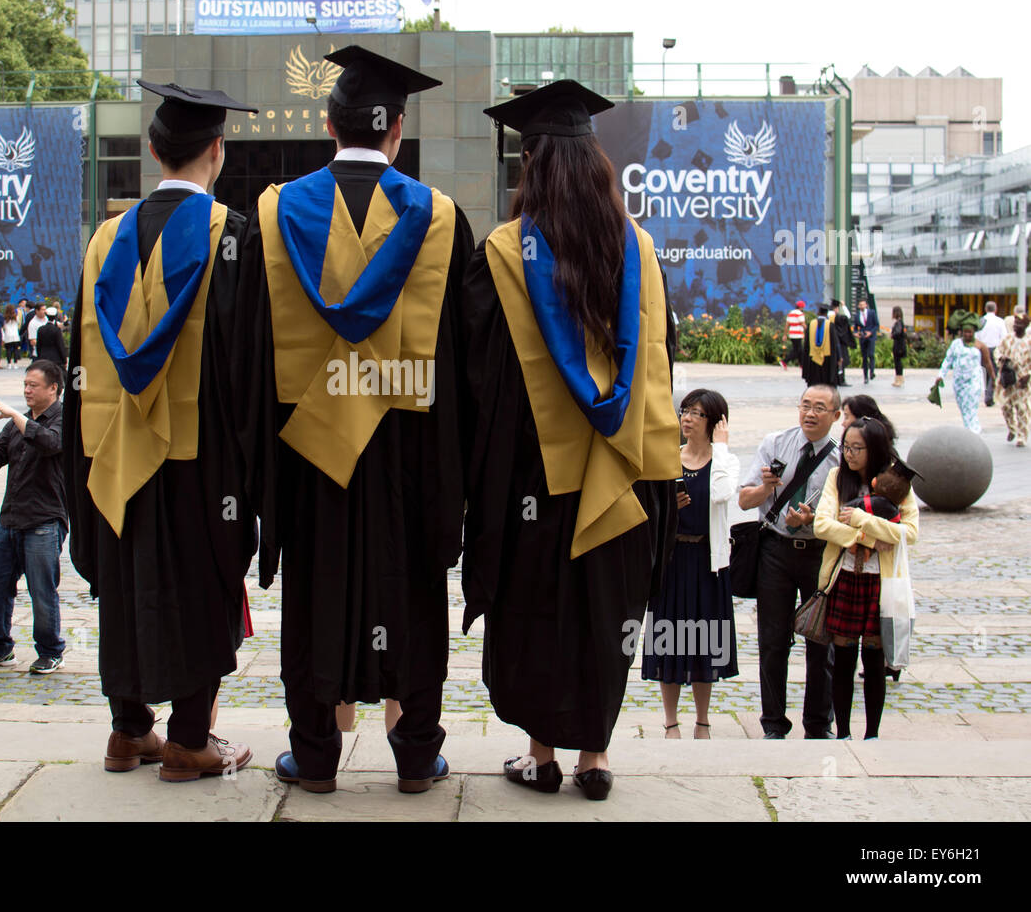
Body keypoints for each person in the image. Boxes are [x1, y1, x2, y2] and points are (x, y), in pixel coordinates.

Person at [235, 46, 474, 795]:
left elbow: (250, 353)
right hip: (410, 452)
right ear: (398, 131)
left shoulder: (273, 213)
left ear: (327, 123)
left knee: (314, 590)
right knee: (412, 596)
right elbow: (461, 368)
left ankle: (314, 756)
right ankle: (414, 754)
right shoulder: (438, 217)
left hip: (307, 448)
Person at [462, 80, 679, 799]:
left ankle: (541, 752)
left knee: (537, 610)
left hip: (535, 479)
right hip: (622, 472)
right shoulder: (639, 250)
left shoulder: (502, 252)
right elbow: (659, 363)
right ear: (596, 163)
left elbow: (482, 381)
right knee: (607, 610)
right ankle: (595, 756)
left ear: (532, 164)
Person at [65, 81, 259, 781]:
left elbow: (81, 364)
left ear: (152, 151)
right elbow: (247, 364)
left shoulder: (103, 241)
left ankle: (128, 732)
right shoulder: (231, 237)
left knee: (124, 584)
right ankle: (187, 739)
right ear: (218, 149)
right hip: (201, 456)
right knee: (202, 585)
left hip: (113, 448)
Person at [738, 385, 841, 739]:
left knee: (820, 640)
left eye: (820, 408)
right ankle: (773, 724)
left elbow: (847, 515)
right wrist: (767, 488)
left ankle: (817, 725)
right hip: (776, 551)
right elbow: (745, 500)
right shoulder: (775, 444)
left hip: (819, 554)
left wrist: (814, 519)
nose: (810, 413)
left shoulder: (839, 458)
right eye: (805, 406)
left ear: (836, 416)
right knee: (773, 640)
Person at [642, 389, 739, 741]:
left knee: (703, 643)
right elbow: (651, 509)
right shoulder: (669, 458)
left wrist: (723, 448)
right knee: (668, 641)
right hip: (672, 561)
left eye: (697, 413)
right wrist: (672, 511)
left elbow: (722, 493)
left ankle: (702, 721)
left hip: (707, 564)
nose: (687, 418)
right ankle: (670, 722)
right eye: (685, 411)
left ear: (714, 421)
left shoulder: (724, 461)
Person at [813, 419, 919, 740]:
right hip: (845, 577)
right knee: (843, 659)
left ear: (874, 449)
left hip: (881, 583)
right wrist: (871, 537)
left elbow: (909, 533)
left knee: (875, 660)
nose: (849, 454)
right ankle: (842, 732)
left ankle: (872, 734)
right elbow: (822, 525)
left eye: (856, 448)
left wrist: (859, 518)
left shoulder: (897, 483)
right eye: (845, 447)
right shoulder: (836, 477)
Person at [0, 361, 68, 675]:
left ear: (53, 388)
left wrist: (14, 416)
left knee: (42, 590)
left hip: (44, 519)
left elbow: (50, 443)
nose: (26, 390)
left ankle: (50, 650)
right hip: (9, 518)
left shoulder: (64, 418)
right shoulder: (18, 422)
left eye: (33, 385)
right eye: (25, 384)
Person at [936, 310, 996, 434]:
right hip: (959, 383)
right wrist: (941, 375)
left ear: (974, 332)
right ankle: (970, 430)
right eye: (965, 332)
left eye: (970, 332)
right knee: (964, 408)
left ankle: (974, 432)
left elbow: (987, 363)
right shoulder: (956, 345)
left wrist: (994, 378)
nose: (967, 334)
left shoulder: (980, 346)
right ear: (961, 332)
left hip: (974, 382)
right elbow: (948, 360)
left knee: (972, 408)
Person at [996, 313, 1031, 447]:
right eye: (1015, 323)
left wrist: (1028, 374)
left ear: (1026, 325)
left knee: (1022, 408)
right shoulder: (1008, 339)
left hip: (1023, 380)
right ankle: (1012, 429)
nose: (1016, 326)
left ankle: (1021, 436)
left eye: (1019, 324)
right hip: (1008, 379)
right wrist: (1001, 358)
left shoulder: (1029, 341)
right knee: (1005, 406)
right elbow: (998, 351)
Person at [976, 301, 1008, 408]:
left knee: (986, 373)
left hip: (982, 349)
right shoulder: (1000, 321)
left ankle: (988, 394)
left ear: (985, 309)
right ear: (996, 309)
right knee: (994, 372)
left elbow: (977, 337)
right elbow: (1004, 337)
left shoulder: (981, 321)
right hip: (995, 350)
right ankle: (989, 397)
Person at [802, 305, 838, 388]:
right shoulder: (830, 325)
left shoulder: (811, 324)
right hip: (827, 357)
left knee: (814, 382)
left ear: (818, 313)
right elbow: (835, 343)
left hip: (813, 357)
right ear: (827, 314)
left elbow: (806, 344)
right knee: (826, 382)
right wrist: (838, 357)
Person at [852, 299, 880, 384]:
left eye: (863, 304)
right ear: (858, 306)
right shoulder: (857, 315)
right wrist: (856, 333)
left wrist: (871, 332)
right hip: (863, 337)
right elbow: (856, 327)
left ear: (866, 305)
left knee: (871, 354)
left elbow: (876, 325)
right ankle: (865, 377)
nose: (862, 306)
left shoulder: (872, 313)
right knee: (864, 357)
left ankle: (872, 372)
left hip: (871, 337)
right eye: (860, 305)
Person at [831, 300, 854, 386]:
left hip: (831, 343)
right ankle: (841, 379)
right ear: (836, 308)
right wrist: (844, 306)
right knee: (842, 360)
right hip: (840, 344)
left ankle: (835, 379)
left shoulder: (828, 318)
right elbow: (848, 317)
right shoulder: (839, 318)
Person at [785, 301, 807, 371]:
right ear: (800, 307)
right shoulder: (800, 314)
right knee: (797, 350)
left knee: (800, 350)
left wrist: (785, 334)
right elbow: (803, 324)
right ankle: (785, 361)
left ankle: (802, 365)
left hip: (792, 333)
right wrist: (808, 330)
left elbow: (787, 325)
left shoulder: (790, 313)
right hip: (798, 334)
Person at [890, 306, 908, 388]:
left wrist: (892, 335)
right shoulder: (899, 322)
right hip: (899, 344)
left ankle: (899, 378)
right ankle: (898, 378)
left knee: (898, 362)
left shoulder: (899, 323)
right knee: (897, 362)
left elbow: (898, 332)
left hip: (899, 345)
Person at [1, 305, 22, 370]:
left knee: (8, 350)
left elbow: (3, 327)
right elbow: (19, 324)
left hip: (8, 335)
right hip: (15, 335)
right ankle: (15, 364)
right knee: (16, 349)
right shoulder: (16, 317)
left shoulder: (4, 318)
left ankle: (9, 364)